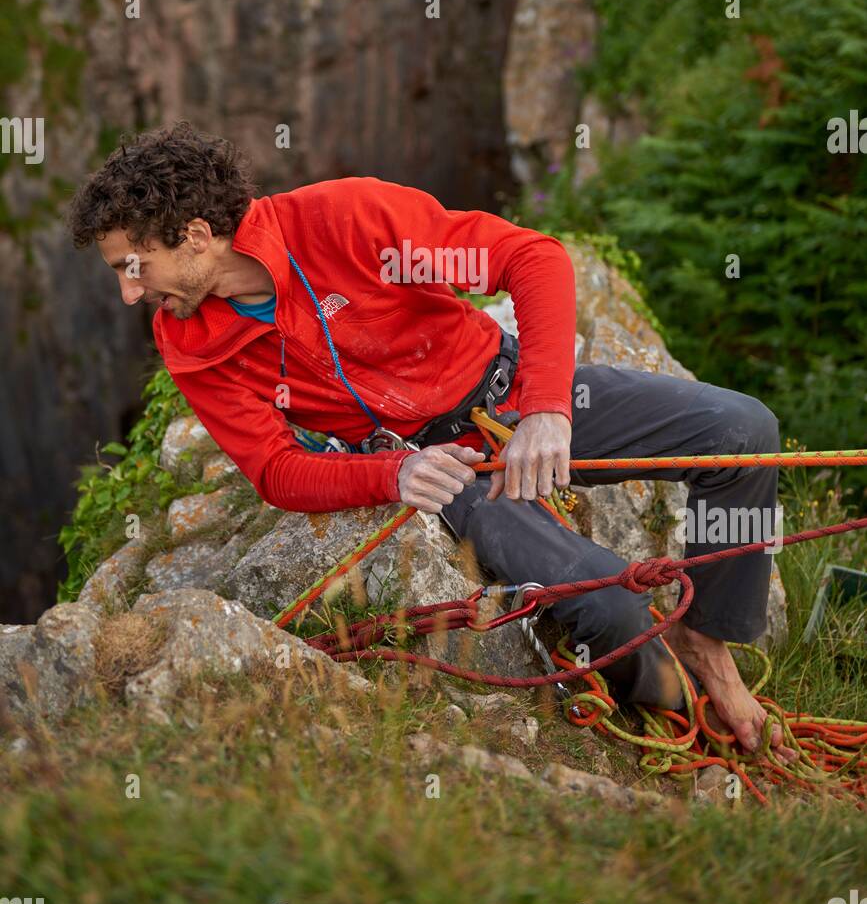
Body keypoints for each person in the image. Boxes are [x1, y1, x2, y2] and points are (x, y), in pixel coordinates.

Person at [68, 121, 793, 759]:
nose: (130, 294)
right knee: (609, 608)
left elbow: (530, 259)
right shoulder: (192, 339)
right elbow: (274, 470)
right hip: (448, 469)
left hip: (505, 386)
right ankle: (688, 718)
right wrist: (391, 475)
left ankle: (706, 639)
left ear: (195, 236)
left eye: (134, 267)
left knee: (744, 431)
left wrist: (545, 408)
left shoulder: (344, 221)